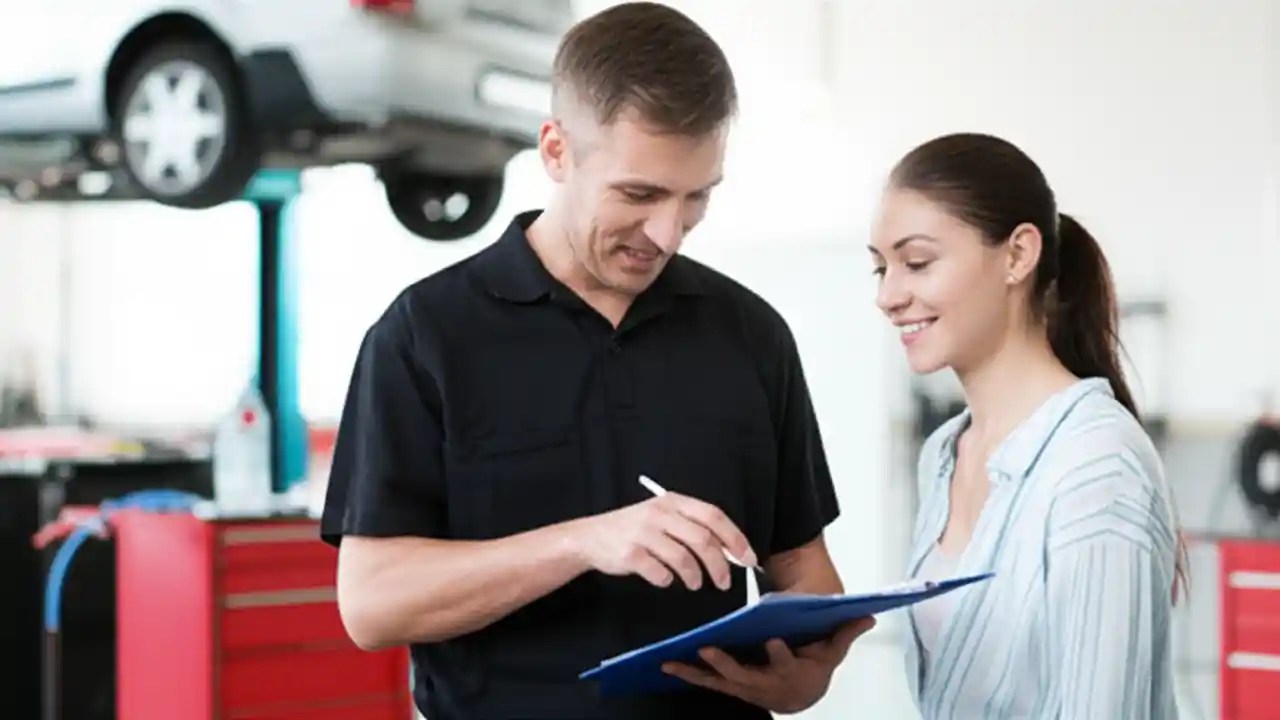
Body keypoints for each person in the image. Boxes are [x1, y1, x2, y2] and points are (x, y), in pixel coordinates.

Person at [320, 3, 872, 718]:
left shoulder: (752, 335)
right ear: (556, 151)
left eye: (696, 197)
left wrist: (806, 675)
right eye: (639, 195)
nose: (668, 233)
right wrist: (587, 542)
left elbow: (804, 571)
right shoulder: (425, 336)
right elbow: (372, 604)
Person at [868, 131, 1185, 719]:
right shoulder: (943, 453)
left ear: (1017, 255)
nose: (888, 295)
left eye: (916, 263)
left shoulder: (1095, 465)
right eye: (880, 269)